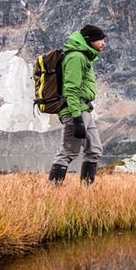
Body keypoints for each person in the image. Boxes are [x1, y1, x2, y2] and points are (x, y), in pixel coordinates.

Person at [48, 24, 107, 185]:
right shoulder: (76, 57)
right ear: (89, 40)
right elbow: (70, 89)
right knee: (68, 151)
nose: (103, 43)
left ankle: (86, 192)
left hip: (84, 110)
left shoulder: (85, 57)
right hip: (76, 110)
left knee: (94, 149)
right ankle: (52, 190)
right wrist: (76, 118)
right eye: (100, 39)